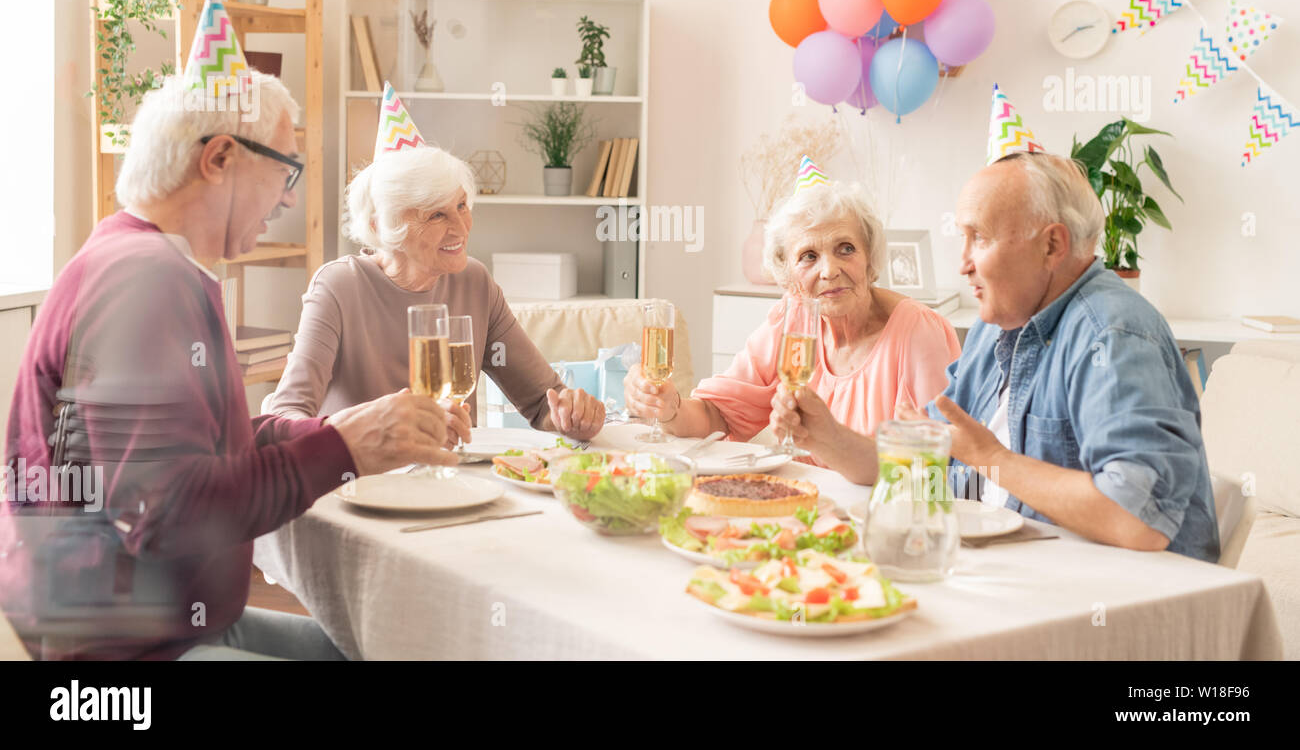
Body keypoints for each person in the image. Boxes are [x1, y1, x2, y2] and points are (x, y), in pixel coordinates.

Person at [0, 70, 457, 660]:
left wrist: (339, 432)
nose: (289, 197)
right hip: (125, 652)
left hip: (172, 625)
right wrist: (341, 452)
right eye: (285, 170)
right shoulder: (147, 279)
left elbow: (208, 449)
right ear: (219, 158)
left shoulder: (142, 257)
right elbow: (163, 513)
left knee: (391, 648)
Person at [782, 152, 1219, 562]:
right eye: (963, 238)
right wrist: (825, 437)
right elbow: (923, 465)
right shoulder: (995, 326)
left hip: (1120, 603)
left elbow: (1138, 519)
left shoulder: (1111, 334)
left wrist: (991, 458)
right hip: (1014, 570)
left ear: (1052, 246)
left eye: (980, 238)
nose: (963, 263)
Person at [265, 100, 603, 439]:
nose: (460, 228)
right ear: (382, 227)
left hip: (454, 483)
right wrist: (374, 428)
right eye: (436, 215)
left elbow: (543, 403)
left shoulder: (475, 282)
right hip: (361, 483)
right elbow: (285, 417)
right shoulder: (339, 286)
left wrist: (573, 413)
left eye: (461, 206)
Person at [625, 174, 960, 474]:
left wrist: (832, 441)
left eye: (845, 248)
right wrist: (669, 408)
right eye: (809, 256)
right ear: (788, 276)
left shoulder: (918, 332)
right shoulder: (794, 319)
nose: (829, 270)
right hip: (804, 512)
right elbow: (716, 414)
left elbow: (939, 467)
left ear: (870, 258)